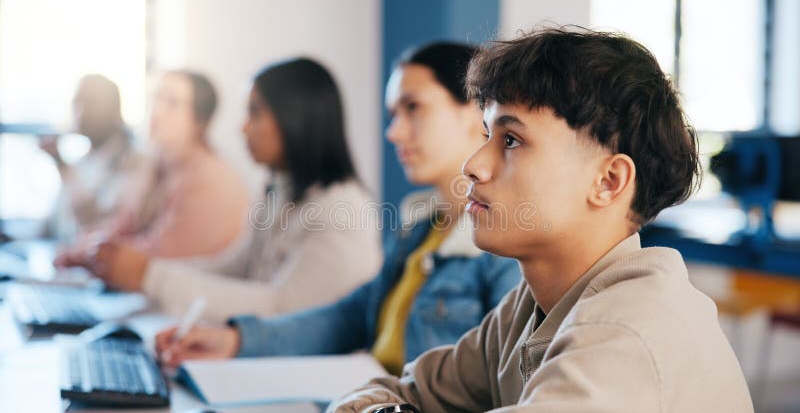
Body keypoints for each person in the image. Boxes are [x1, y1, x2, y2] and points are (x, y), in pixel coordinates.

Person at [328, 28, 754, 412]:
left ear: (608, 181)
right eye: (486, 136)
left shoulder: (624, 338)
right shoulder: (527, 309)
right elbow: (400, 391)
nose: (473, 165)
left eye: (511, 140)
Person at [154, 43, 521, 374]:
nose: (393, 132)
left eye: (413, 108)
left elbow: (495, 383)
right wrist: (238, 340)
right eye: (394, 114)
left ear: (477, 112)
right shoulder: (421, 226)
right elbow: (350, 316)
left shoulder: (503, 250)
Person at [90, 58, 383, 322]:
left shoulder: (340, 209)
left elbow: (282, 308)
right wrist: (149, 273)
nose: (243, 128)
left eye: (255, 113)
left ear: (295, 118)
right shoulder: (280, 191)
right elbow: (239, 267)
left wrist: (153, 277)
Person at [55, 71, 250, 271]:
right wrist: (88, 244)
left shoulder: (211, 178)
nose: (157, 111)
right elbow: (121, 225)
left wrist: (90, 252)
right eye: (155, 98)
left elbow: (161, 253)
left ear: (200, 121)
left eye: (172, 103)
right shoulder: (159, 167)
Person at [40, 74, 147, 241]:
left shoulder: (135, 160)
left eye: (90, 104)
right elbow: (54, 223)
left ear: (113, 110)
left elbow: (96, 226)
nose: (80, 112)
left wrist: (61, 163)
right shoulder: (83, 161)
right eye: (77, 103)